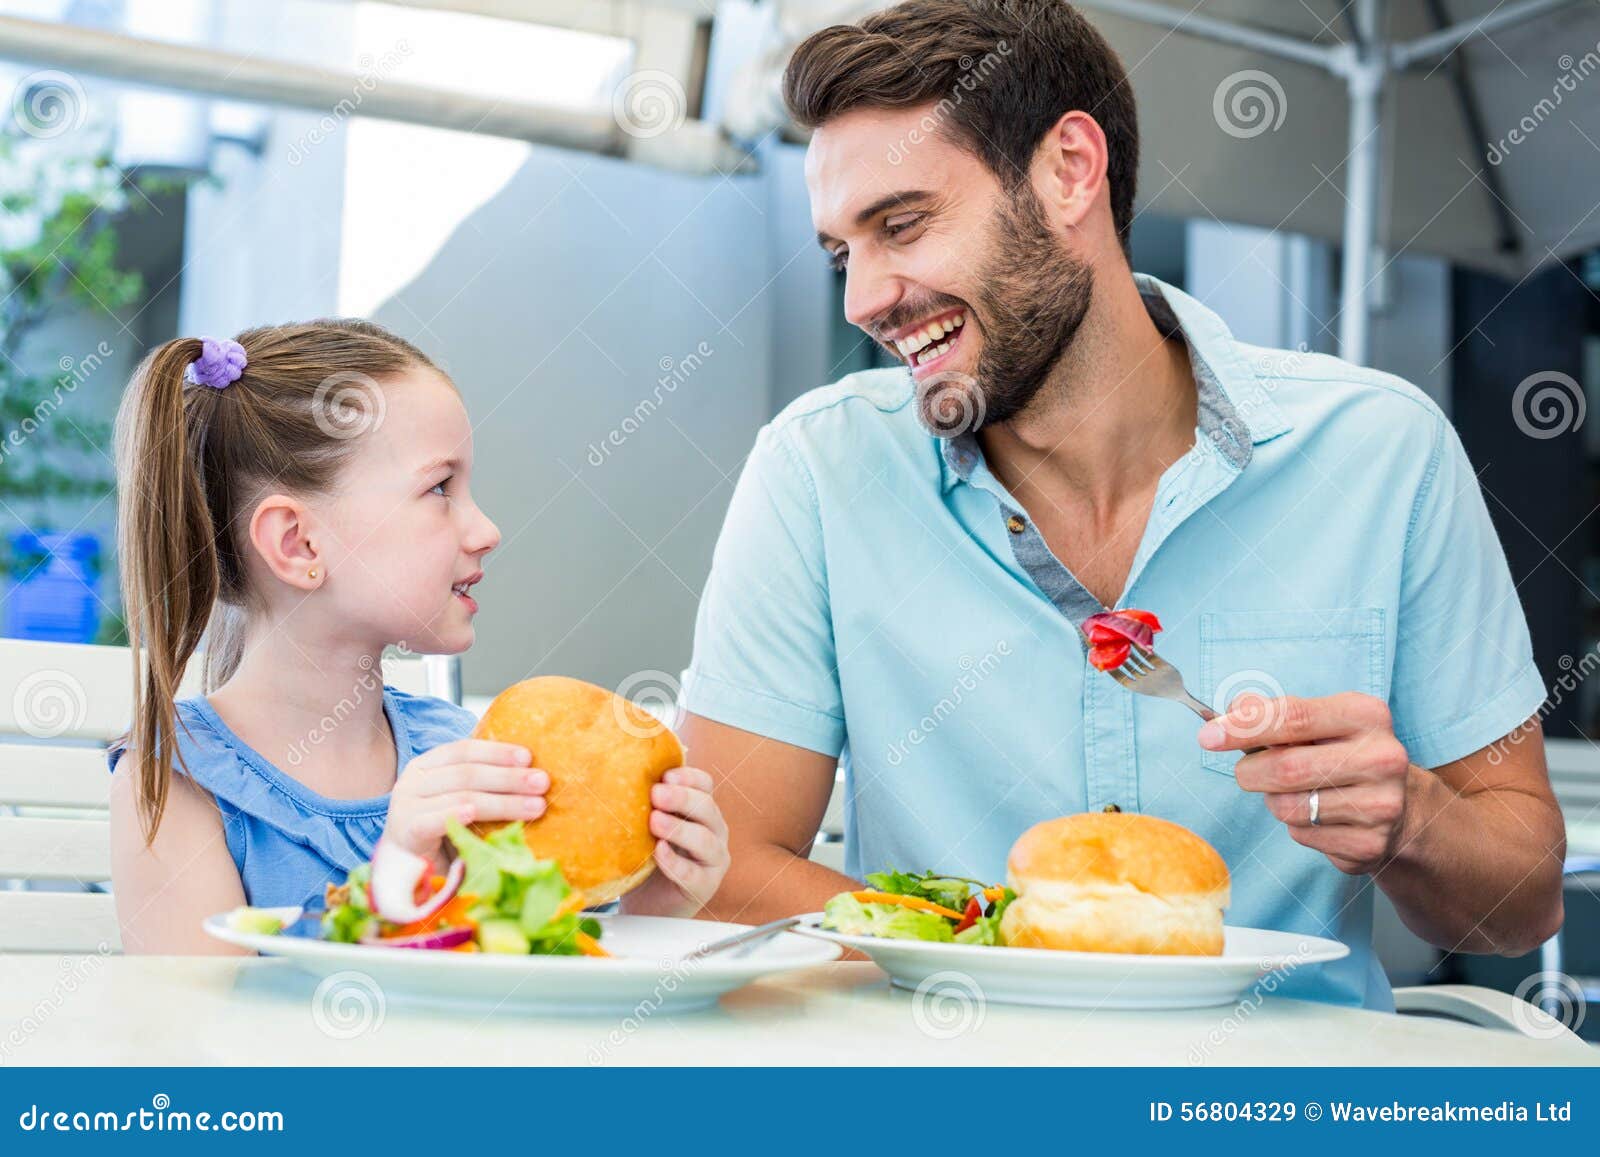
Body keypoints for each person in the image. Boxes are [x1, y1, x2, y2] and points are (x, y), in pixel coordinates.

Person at [680, 0, 1564, 1008]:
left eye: (902, 225)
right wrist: (999, 954)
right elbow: (724, 873)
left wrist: (1412, 821)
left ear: (1068, 171)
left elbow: (1520, 901)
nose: (863, 298)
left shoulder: (1382, 452)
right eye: (844, 252)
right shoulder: (817, 472)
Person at [109, 320, 728, 953]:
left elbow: (532, 1007)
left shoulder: (464, 755)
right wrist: (397, 888)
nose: (486, 528)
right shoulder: (174, 786)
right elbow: (201, 1036)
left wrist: (651, 913)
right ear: (299, 543)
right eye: (439, 488)